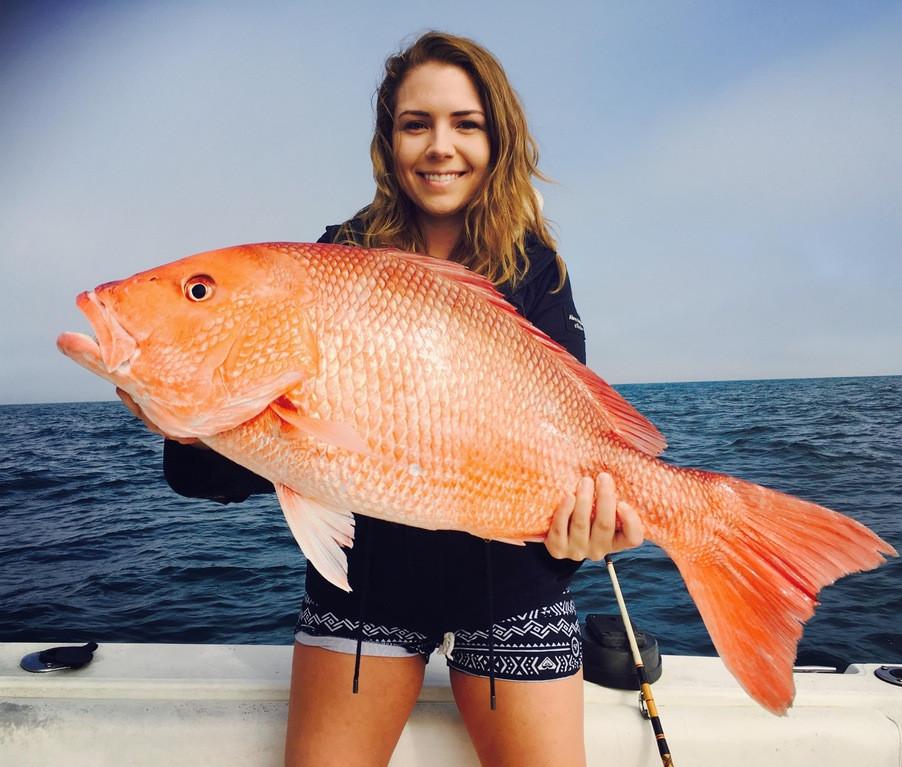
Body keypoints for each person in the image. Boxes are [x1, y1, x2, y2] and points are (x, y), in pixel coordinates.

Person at [133, 31, 644, 767]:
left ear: (498, 137)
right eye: (416, 124)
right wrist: (189, 432)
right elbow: (233, 468)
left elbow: (573, 448)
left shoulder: (537, 269)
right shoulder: (333, 255)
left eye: (465, 124)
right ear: (388, 140)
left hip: (512, 592)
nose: (441, 146)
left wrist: (578, 536)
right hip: (365, 590)